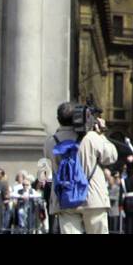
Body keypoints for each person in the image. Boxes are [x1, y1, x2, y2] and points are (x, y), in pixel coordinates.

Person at [45, 100, 119, 234]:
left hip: (64, 198)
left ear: (58, 119)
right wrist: (101, 133)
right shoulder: (91, 137)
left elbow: (46, 170)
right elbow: (111, 156)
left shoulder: (50, 142)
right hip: (93, 197)